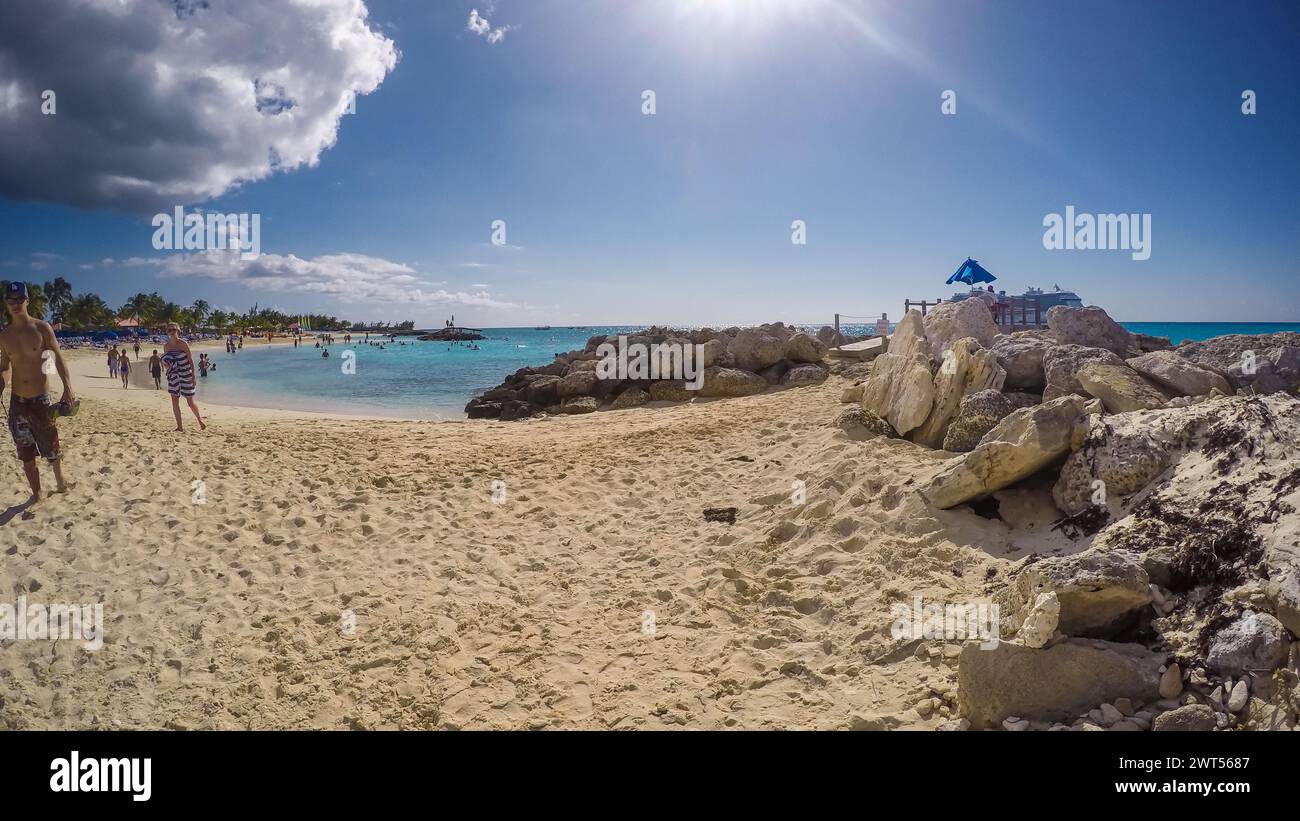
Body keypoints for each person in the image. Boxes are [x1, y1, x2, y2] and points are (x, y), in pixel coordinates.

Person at [0, 282, 73, 505]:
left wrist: (68, 388)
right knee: (26, 452)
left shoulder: (42, 328)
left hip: (41, 399)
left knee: (51, 445)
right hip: (18, 402)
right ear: (6, 302)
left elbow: (57, 357)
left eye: (19, 299)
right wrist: (1, 386)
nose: (15, 304)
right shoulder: (4, 335)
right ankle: (37, 493)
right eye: (10, 300)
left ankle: (60, 481)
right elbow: (5, 367)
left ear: (27, 301)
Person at [162, 323, 205, 431]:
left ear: (178, 331)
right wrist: (166, 365)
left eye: (174, 329)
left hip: (186, 375)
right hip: (173, 376)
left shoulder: (183, 344)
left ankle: (200, 421)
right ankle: (179, 427)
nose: (172, 332)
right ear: (167, 332)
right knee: (174, 401)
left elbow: (190, 360)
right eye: (169, 330)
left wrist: (193, 376)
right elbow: (167, 360)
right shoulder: (166, 346)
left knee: (190, 402)